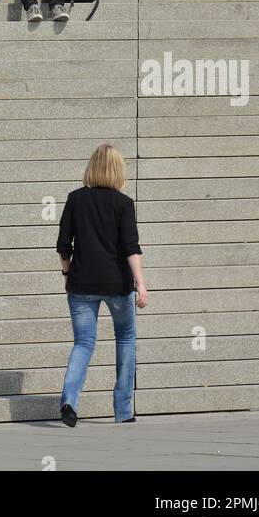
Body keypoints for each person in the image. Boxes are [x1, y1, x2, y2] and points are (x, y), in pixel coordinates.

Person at [56, 144, 148, 426]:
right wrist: (142, 285)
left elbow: (63, 245)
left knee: (83, 343)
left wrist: (68, 272)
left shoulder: (75, 199)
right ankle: (123, 411)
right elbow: (131, 248)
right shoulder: (123, 203)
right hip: (117, 284)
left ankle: (70, 401)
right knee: (126, 339)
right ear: (118, 170)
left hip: (81, 284)